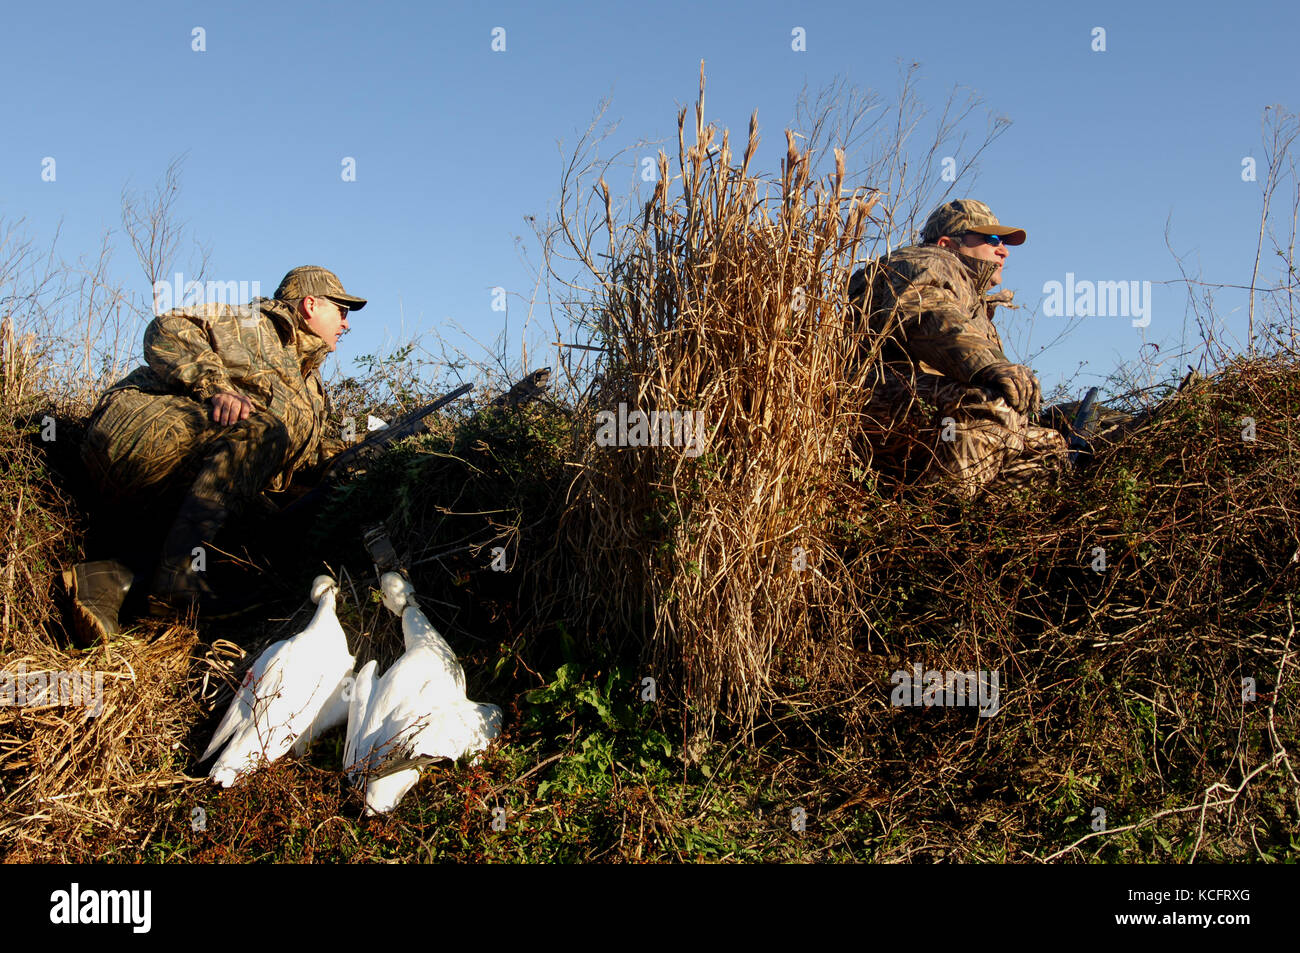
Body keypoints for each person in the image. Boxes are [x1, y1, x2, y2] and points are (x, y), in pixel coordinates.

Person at [63, 266, 365, 643]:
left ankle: (112, 580)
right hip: (140, 432)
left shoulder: (310, 384)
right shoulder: (254, 325)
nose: (346, 323)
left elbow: (300, 457)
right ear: (309, 304)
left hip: (187, 475)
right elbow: (167, 329)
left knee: (273, 528)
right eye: (341, 311)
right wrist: (216, 388)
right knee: (263, 432)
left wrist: (353, 457)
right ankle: (177, 578)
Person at [847, 199, 1070, 499]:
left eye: (1004, 242)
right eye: (991, 239)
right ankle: (934, 523)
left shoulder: (974, 299)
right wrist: (990, 365)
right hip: (869, 398)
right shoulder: (931, 260)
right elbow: (927, 314)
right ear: (947, 243)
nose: (1003, 249)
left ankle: (979, 534)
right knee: (987, 406)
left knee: (1046, 445)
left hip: (924, 408)